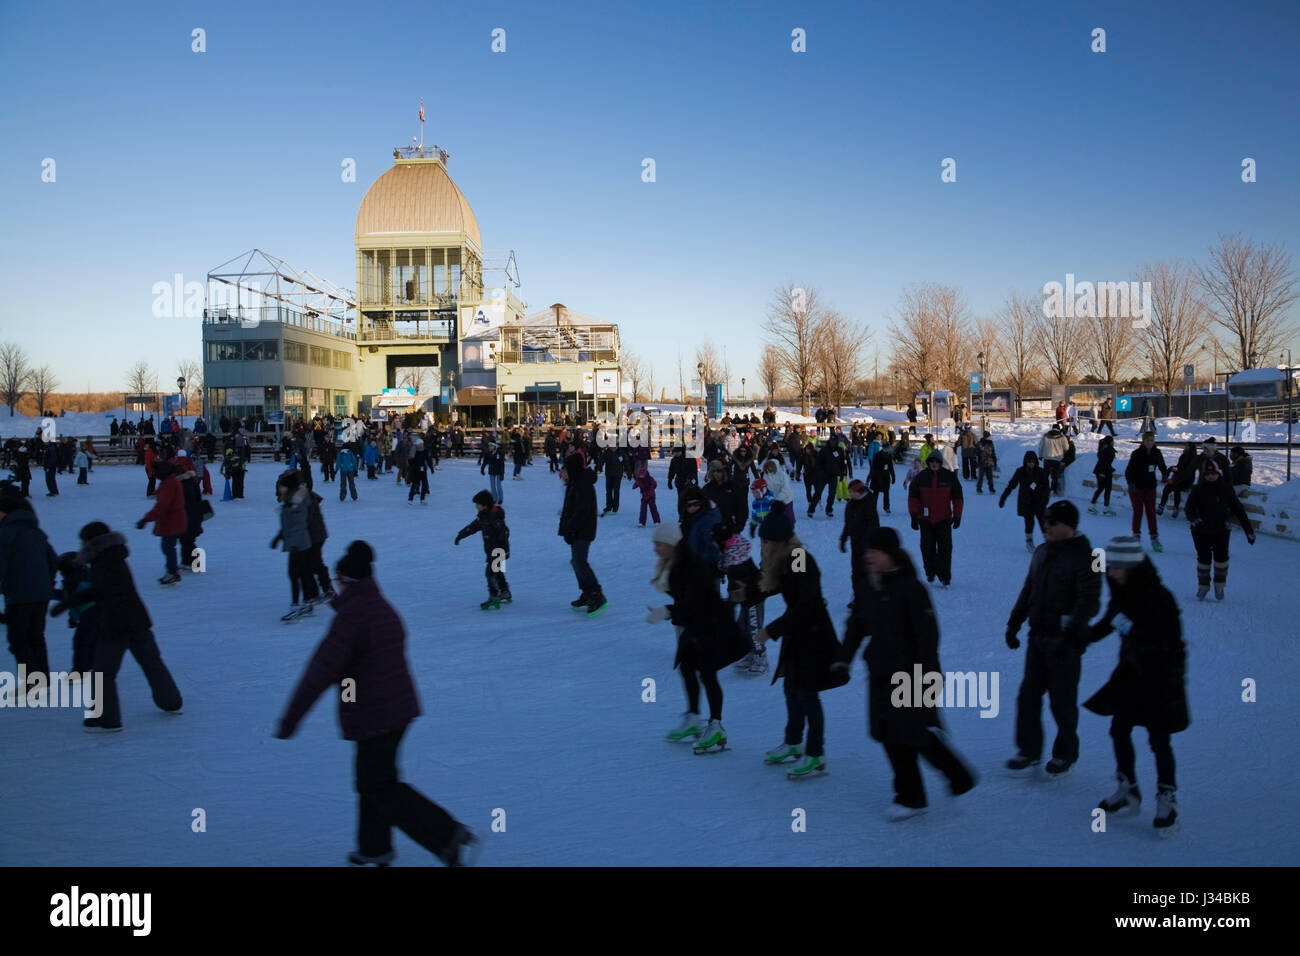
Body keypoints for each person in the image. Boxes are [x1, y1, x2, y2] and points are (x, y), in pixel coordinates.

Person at [275, 541, 479, 867]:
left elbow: (320, 671)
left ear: (345, 580)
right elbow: (353, 671)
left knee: (379, 786)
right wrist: (350, 696)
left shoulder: (352, 617)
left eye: (336, 581)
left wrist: (291, 720)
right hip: (395, 710)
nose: (335, 588)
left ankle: (447, 835)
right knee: (372, 782)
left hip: (377, 716)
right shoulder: (381, 605)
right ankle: (374, 848)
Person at [837, 525, 977, 820]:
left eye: (874, 551)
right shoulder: (868, 586)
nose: (868, 556)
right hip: (880, 673)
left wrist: (925, 682)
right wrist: (843, 660)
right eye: (866, 551)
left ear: (890, 553)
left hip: (911, 674)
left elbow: (928, 639)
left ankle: (949, 781)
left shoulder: (912, 589)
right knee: (889, 735)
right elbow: (856, 626)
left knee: (915, 734)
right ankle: (915, 794)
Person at [1082, 535, 1188, 833]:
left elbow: (1171, 644)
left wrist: (1166, 677)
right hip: (1130, 674)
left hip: (1160, 678)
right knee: (1118, 729)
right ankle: (1127, 786)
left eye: (1115, 567)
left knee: (1159, 740)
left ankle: (1167, 796)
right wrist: (1080, 638)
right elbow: (1110, 621)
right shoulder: (1121, 590)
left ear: (1130, 566)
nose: (1110, 572)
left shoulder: (1159, 597)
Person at [1003, 500, 1101, 777]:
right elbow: (1028, 590)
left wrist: (1068, 631)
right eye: (1045, 521)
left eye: (1052, 522)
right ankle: (1029, 750)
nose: (1045, 526)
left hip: (1066, 644)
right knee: (1028, 697)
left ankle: (1065, 752)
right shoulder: (1042, 552)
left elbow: (1090, 603)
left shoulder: (1088, 557)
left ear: (1069, 526)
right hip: (1038, 637)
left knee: (1062, 702)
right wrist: (1013, 624)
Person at [755, 501, 842, 778]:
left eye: (766, 540)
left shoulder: (799, 559)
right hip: (798, 634)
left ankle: (816, 754)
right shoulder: (784, 560)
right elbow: (774, 588)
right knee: (792, 690)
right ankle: (793, 743)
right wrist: (739, 595)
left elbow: (806, 605)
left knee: (807, 694)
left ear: (778, 540)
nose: (764, 545)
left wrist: (771, 630)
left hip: (814, 635)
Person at [645, 522, 748, 752]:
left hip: (715, 627)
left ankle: (716, 725)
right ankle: (693, 719)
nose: (656, 549)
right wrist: (671, 610)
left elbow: (697, 604)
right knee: (688, 666)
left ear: (672, 544)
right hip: (698, 625)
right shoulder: (673, 564)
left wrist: (668, 611)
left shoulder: (689, 566)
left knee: (707, 672)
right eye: (655, 544)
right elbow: (687, 604)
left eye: (660, 544)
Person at [76, 520, 184, 731]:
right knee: (152, 662)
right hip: (137, 620)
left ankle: (107, 718)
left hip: (116, 625)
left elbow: (105, 593)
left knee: (103, 673)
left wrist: (73, 601)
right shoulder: (115, 556)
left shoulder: (103, 562)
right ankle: (170, 701)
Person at [0, 485, 58, 690]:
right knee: (35, 635)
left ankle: (33, 682)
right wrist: (48, 583)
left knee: (18, 638)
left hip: (19, 593)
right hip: (41, 593)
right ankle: (41, 678)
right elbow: (52, 559)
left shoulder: (6, 533)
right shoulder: (35, 531)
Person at [1184, 460, 1255, 600]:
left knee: (1221, 559)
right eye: (1207, 474)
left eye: (1213, 473)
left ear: (1218, 473)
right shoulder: (1198, 489)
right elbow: (1189, 508)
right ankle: (1203, 586)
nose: (1210, 476)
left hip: (1221, 530)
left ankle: (1219, 585)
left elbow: (1239, 510)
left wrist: (1249, 531)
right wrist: (1194, 518)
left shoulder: (1226, 489)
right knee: (1203, 559)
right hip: (1200, 531)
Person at [907, 451, 963, 587]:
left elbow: (957, 498)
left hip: (944, 519)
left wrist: (957, 516)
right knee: (927, 548)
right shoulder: (921, 477)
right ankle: (930, 571)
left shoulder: (949, 477)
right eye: (932, 462)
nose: (934, 464)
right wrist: (914, 516)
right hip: (925, 520)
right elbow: (913, 498)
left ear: (940, 463)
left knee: (945, 549)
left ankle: (944, 575)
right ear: (928, 463)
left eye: (936, 462)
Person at [559, 452, 606, 614]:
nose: (562, 471)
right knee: (576, 562)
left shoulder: (582, 485)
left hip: (583, 529)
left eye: (565, 468)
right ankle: (587, 592)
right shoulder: (575, 482)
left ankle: (596, 593)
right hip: (577, 529)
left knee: (580, 562)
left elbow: (581, 511)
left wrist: (570, 529)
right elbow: (569, 509)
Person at [270, 471, 320, 620]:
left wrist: (285, 538)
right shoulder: (291, 500)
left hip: (299, 543)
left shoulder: (297, 500)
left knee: (298, 573)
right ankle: (302, 603)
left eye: (282, 486)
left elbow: (299, 522)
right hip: (294, 542)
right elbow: (288, 524)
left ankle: (302, 603)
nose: (279, 489)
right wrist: (278, 538)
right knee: (296, 574)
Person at [454, 490, 512, 610]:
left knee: (490, 573)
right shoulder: (483, 517)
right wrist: (461, 535)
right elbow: (473, 527)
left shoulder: (494, 517)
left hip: (498, 550)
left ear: (484, 505)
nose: (476, 507)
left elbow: (504, 532)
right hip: (492, 550)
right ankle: (505, 591)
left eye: (477, 505)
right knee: (497, 571)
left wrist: (500, 548)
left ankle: (494, 595)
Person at [136, 460, 186, 585]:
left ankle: (172, 572)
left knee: (168, 546)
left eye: (155, 471)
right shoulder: (169, 481)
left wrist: (146, 519)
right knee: (168, 546)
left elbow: (161, 506)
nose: (154, 474)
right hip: (173, 520)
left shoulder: (169, 484)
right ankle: (172, 571)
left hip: (172, 521)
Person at [1124, 431, 1168, 552]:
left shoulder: (1157, 453)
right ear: (1143, 441)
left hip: (1150, 487)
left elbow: (1162, 465)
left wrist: (1165, 474)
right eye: (1147, 440)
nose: (1150, 443)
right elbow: (1129, 470)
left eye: (1152, 440)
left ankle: (1154, 538)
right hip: (1136, 487)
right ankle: (1136, 537)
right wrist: (1131, 483)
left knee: (1151, 513)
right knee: (1138, 512)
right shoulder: (1137, 454)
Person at [840, 478, 878, 600]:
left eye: (852, 492)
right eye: (849, 492)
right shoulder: (850, 504)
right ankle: (858, 598)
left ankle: (870, 596)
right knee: (856, 572)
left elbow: (874, 526)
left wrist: (870, 545)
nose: (850, 494)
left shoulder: (869, 504)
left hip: (868, 546)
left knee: (867, 572)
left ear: (859, 492)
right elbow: (848, 523)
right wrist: (843, 539)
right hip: (855, 544)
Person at [1158, 442, 1198, 517]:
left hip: (1186, 480)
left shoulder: (1194, 458)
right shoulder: (1183, 456)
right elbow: (1179, 467)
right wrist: (1171, 469)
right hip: (1177, 479)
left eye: (1187, 446)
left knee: (1177, 488)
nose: (1185, 447)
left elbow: (1188, 472)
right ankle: (1161, 506)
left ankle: (1176, 508)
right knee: (1167, 488)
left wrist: (1175, 479)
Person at [1088, 435, 1117, 516]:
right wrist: (1103, 473)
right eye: (1113, 441)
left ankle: (1092, 506)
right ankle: (1106, 508)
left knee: (1101, 489)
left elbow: (1103, 461)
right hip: (1104, 472)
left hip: (1101, 471)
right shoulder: (1108, 449)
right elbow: (1104, 462)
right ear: (1111, 442)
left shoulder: (1103, 447)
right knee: (1107, 489)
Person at [1037, 425, 1068, 494]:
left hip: (1047, 458)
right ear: (1059, 429)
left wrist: (1040, 456)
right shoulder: (1062, 437)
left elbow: (1041, 446)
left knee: (1046, 475)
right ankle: (1054, 490)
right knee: (1055, 476)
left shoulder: (1045, 436)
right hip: (1057, 459)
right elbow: (1066, 448)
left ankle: (1044, 489)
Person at [869, 441, 897, 514]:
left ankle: (887, 507)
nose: (889, 449)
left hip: (886, 477)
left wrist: (893, 476)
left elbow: (891, 467)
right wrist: (877, 478)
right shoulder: (876, 455)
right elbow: (874, 468)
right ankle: (872, 508)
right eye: (888, 448)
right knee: (875, 493)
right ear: (884, 448)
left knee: (886, 493)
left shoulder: (889, 456)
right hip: (877, 477)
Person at [632, 461, 660, 527]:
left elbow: (654, 484)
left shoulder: (650, 479)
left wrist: (650, 491)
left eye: (642, 475)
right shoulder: (639, 479)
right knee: (643, 509)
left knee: (653, 508)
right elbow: (636, 484)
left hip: (651, 496)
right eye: (640, 475)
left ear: (645, 474)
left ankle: (656, 521)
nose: (641, 477)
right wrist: (634, 486)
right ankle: (642, 522)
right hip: (644, 497)